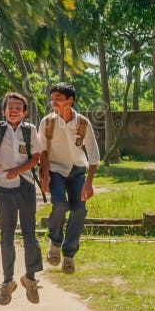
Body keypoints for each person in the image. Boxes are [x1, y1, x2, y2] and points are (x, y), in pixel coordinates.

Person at [0, 92, 43, 305]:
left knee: (30, 236)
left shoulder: (30, 130)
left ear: (24, 112)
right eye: (10, 107)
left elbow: (36, 158)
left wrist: (18, 170)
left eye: (18, 107)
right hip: (4, 188)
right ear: (4, 110)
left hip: (26, 187)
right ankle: (7, 282)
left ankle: (31, 279)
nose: (14, 110)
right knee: (6, 237)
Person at [38, 82, 100, 275]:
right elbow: (42, 151)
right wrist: (45, 175)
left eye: (58, 99)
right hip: (55, 169)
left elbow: (93, 154)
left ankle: (69, 254)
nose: (53, 102)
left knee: (79, 209)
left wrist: (88, 183)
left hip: (77, 171)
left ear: (70, 101)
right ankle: (55, 242)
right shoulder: (47, 122)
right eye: (52, 99)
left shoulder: (82, 123)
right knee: (60, 205)